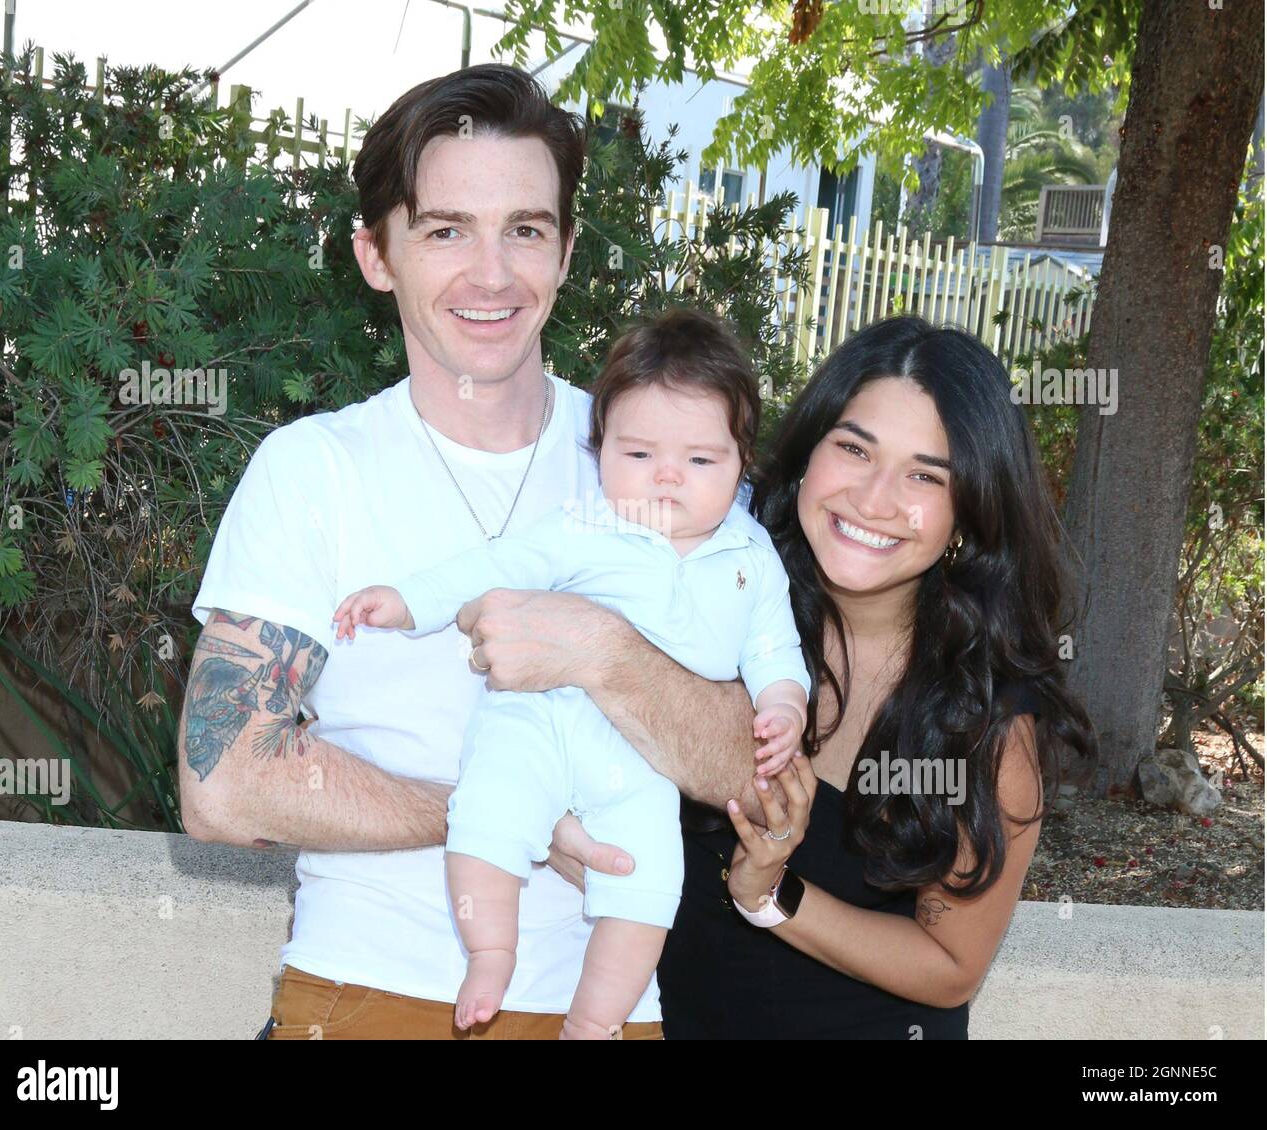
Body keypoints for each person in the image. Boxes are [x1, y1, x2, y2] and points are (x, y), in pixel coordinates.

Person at [178, 63, 785, 1040]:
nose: (492, 272)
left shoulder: (666, 468)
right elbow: (225, 778)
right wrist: (509, 817)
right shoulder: (313, 470)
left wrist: (603, 650)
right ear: (375, 254)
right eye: (447, 228)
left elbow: (750, 771)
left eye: (525, 230)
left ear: (566, 249)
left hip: (605, 1010)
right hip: (366, 989)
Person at [331, 309, 810, 1038]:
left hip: (642, 759)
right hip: (540, 716)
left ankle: (593, 1020)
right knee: (487, 813)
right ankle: (491, 951)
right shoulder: (585, 523)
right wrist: (406, 602)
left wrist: (784, 707)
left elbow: (776, 654)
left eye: (702, 461)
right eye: (639, 454)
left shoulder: (752, 557)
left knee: (649, 885)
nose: (668, 478)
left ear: (743, 462)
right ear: (600, 448)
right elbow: (493, 568)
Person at [656, 315, 1097, 1039]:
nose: (874, 499)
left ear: (968, 511)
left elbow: (950, 965)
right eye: (854, 448)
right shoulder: (715, 592)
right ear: (809, 453)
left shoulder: (984, 716)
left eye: (926, 474)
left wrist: (770, 895)